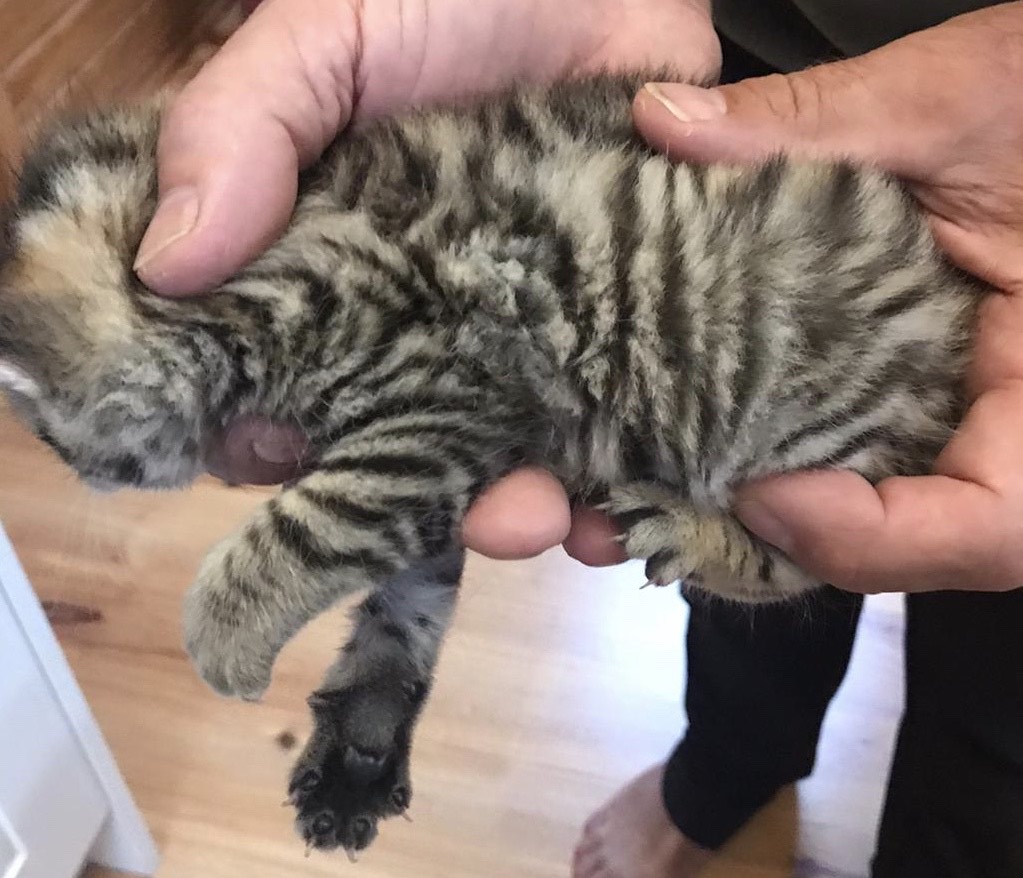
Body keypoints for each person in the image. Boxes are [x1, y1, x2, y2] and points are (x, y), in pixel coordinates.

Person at [134, 1, 1023, 875]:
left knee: (989, 688)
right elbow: (432, 463)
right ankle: (721, 775)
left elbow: (421, 453)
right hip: (738, 54)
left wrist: (265, 577)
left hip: (887, 186)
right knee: (748, 551)